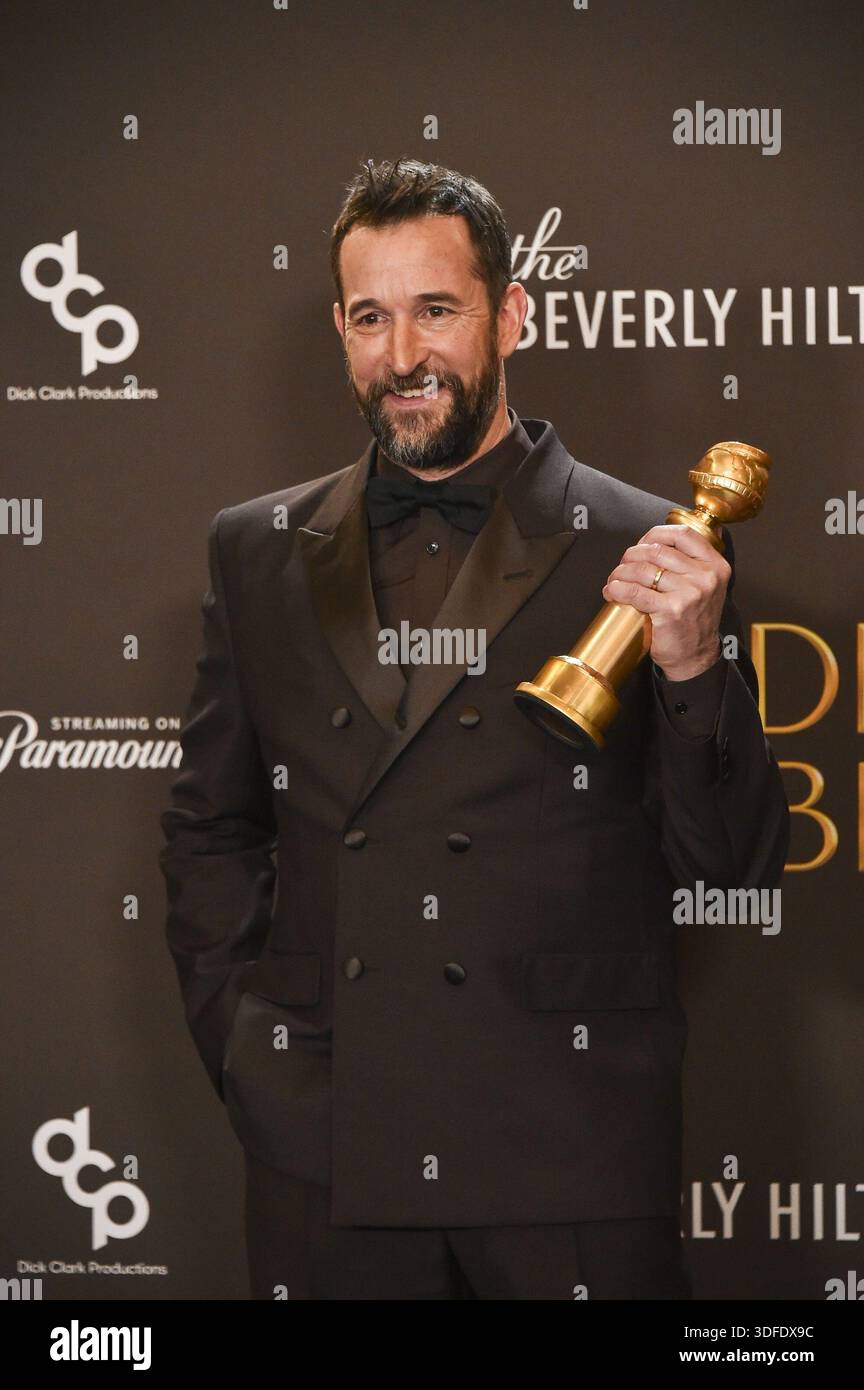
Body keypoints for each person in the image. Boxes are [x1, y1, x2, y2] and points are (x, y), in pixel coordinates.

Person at [159, 156, 790, 1300]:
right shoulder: (253, 546)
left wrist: (695, 661)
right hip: (329, 1158)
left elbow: (733, 863)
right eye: (370, 317)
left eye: (437, 311)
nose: (403, 357)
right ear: (340, 330)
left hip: (572, 1150)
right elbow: (211, 826)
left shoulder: (648, 545)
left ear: (512, 314)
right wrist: (251, 1050)